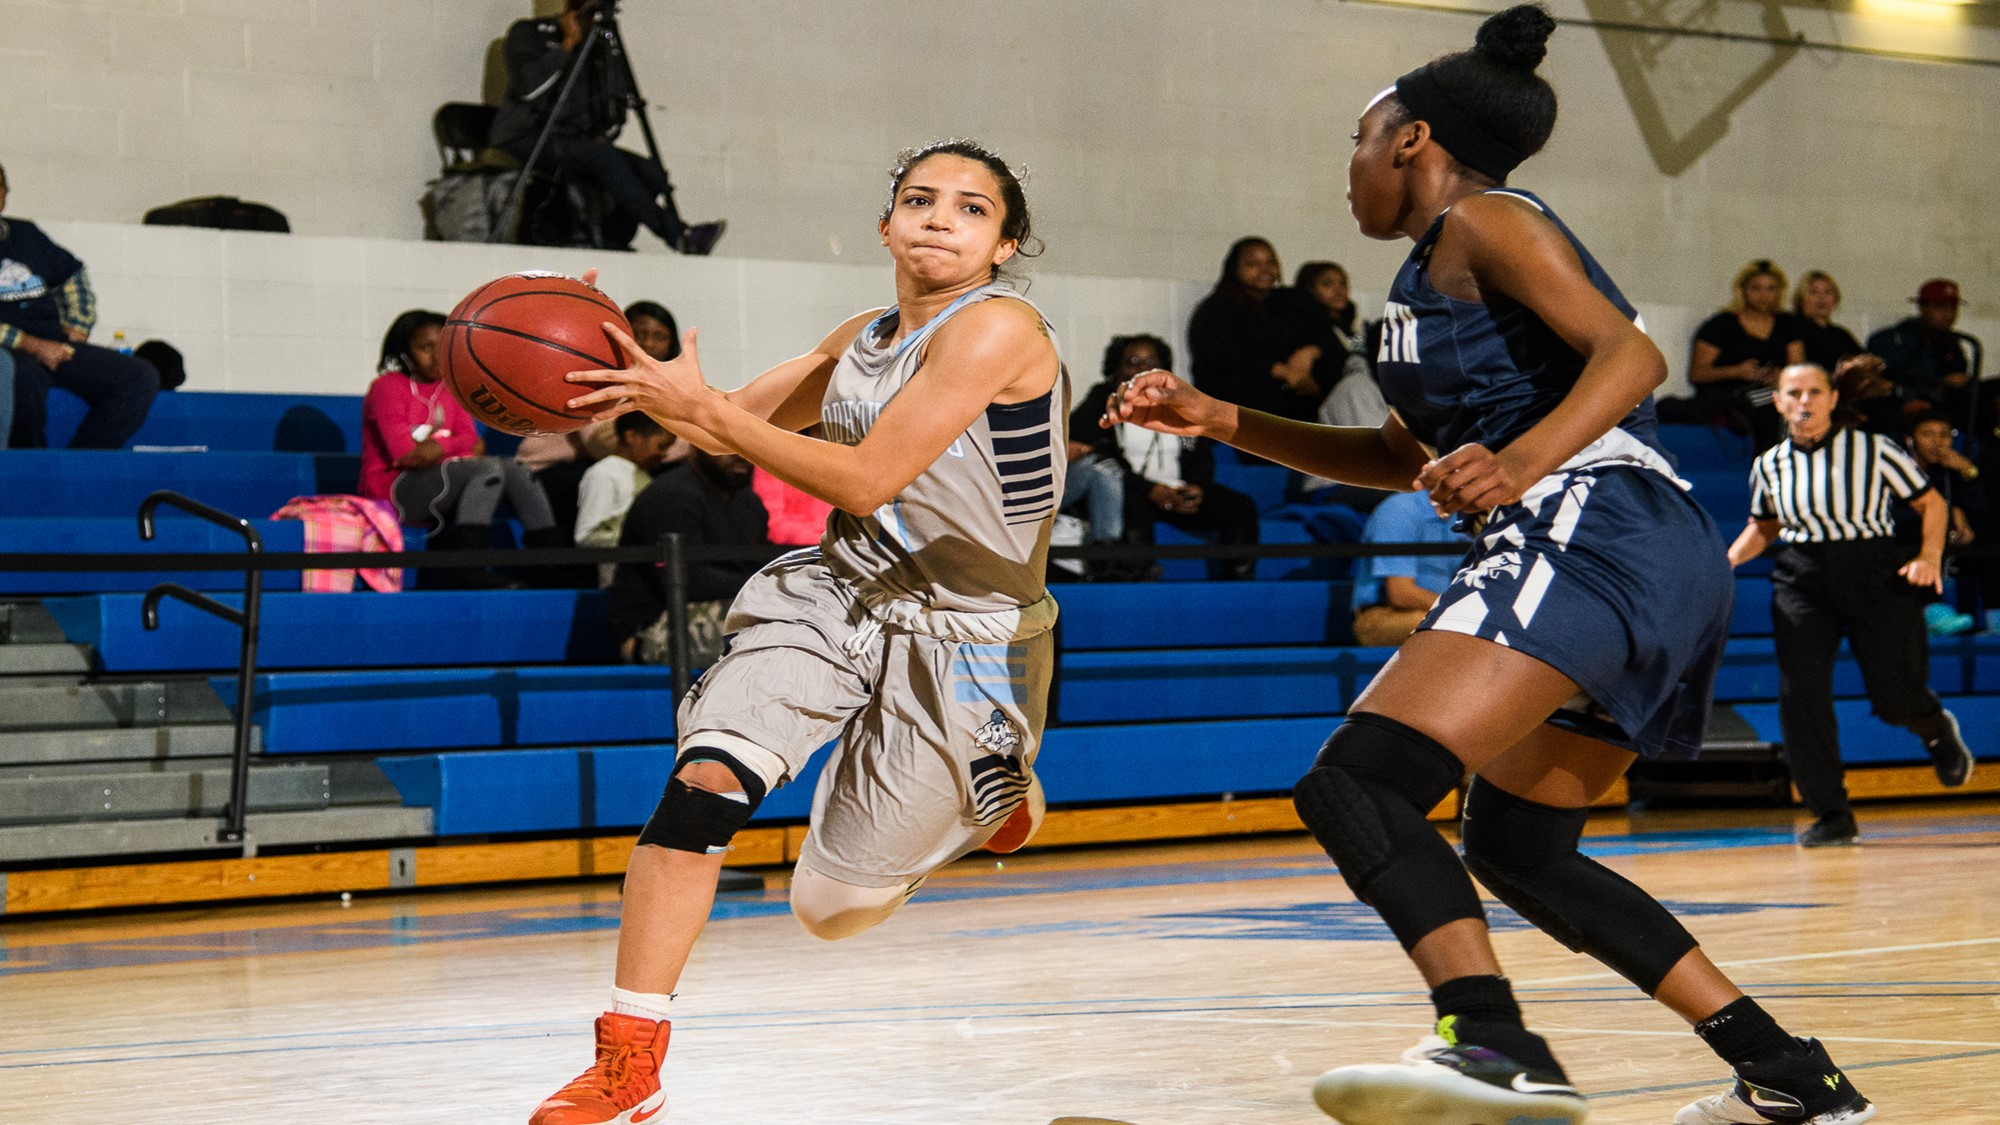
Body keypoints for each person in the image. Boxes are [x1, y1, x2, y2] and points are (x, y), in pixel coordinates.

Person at [1105, 10, 1877, 1125]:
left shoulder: (1488, 217)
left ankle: (1493, 1041)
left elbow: (1633, 352)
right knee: (1515, 847)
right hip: (1635, 549)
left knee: (1355, 781)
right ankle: (1786, 1069)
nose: (1347, 172)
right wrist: (1216, 416)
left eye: (1358, 142)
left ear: (1412, 139)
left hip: (1594, 522)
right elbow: (1391, 456)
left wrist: (1516, 463)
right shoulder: (1425, 283)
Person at [530, 139, 1066, 1125]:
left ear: (1004, 245)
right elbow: (718, 424)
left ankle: (992, 783)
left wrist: (704, 414)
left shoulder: (998, 329)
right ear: (884, 227)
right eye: (917, 199)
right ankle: (629, 1059)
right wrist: (600, 364)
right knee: (704, 785)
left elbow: (864, 477)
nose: (939, 217)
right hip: (839, 589)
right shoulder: (860, 336)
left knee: (827, 909)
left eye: (970, 208)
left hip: (967, 630)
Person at [1727, 365, 1975, 842]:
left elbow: (1932, 504)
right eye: (1794, 393)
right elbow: (1764, 525)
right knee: (1801, 698)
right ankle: (1832, 814)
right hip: (1801, 578)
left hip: (1874, 571)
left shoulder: (1874, 449)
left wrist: (1928, 555)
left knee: (1895, 694)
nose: (1805, 401)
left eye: (1814, 392)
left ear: (1833, 398)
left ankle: (1935, 729)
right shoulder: (1769, 464)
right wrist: (1725, 563)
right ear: (1778, 401)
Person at [489, 0, 725, 254]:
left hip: (574, 141)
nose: (591, 21)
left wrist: (602, 132)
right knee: (606, 159)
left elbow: (613, 102)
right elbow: (528, 88)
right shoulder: (529, 32)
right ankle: (680, 235)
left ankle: (611, 239)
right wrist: (567, 46)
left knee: (652, 173)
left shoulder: (599, 46)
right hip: (524, 136)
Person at [358, 309, 566, 588]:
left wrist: (438, 445)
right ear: (404, 352)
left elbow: (475, 443)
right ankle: (466, 568)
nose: (435, 357)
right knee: (487, 469)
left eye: (442, 348)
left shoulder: (450, 387)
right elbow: (407, 454)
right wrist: (452, 443)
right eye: (425, 348)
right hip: (392, 491)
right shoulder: (387, 387)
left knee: (515, 469)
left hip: (441, 479)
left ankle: (551, 564)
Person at [1075, 334, 1261, 580]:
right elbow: (1100, 457)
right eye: (1132, 361)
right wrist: (1150, 490)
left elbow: (1201, 452)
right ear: (1116, 368)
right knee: (1131, 504)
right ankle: (1139, 578)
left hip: (1179, 489)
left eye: (1151, 362)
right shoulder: (1102, 400)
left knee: (1241, 506)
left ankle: (1240, 584)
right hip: (1135, 492)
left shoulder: (1178, 400)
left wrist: (1198, 486)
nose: (1142, 370)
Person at [0, 162, 159, 449]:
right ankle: (32, 471)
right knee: (19, 379)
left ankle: (85, 460)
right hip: (8, 352)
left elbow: (72, 274)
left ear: (5, 194)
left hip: (54, 345)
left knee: (139, 377)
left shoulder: (25, 233)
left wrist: (79, 324)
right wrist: (30, 344)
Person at [607, 448, 769, 665]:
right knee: (779, 624)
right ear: (696, 446)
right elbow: (690, 582)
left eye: (744, 444)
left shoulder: (749, 503)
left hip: (730, 606)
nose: (739, 453)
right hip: (654, 626)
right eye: (724, 445)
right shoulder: (670, 496)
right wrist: (762, 585)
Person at [1188, 237, 1325, 427]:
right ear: (1234, 268)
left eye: (1271, 262)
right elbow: (1225, 356)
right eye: (1253, 264)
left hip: (1293, 401)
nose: (1265, 270)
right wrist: (1281, 371)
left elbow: (1325, 329)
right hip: (1238, 405)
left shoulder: (1289, 300)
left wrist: (1309, 351)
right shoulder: (1217, 308)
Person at [1683, 259, 1805, 449]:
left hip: (1770, 394)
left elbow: (1798, 370)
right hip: (1731, 397)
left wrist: (1779, 376)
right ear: (1743, 290)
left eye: (1771, 289)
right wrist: (1737, 371)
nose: (1763, 296)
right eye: (1756, 288)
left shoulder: (1787, 324)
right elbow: (1697, 373)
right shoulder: (1721, 324)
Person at [1348, 490, 1463, 646]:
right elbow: (1400, 593)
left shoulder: (1461, 516)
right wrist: (1461, 610)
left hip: (1437, 612)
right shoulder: (1401, 509)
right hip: (1383, 615)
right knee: (1456, 630)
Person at [576, 410, 677, 585]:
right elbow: (586, 536)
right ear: (631, 437)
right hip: (619, 579)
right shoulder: (603, 472)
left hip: (650, 575)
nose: (665, 454)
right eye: (661, 446)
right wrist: (639, 540)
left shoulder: (644, 476)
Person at [1867, 278, 1980, 432]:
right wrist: (1939, 383)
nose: (1948, 314)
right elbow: (1894, 376)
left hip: (1948, 404)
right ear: (1922, 308)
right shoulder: (1901, 337)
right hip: (1917, 404)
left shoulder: (1952, 341)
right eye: (1940, 307)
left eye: (1952, 307)